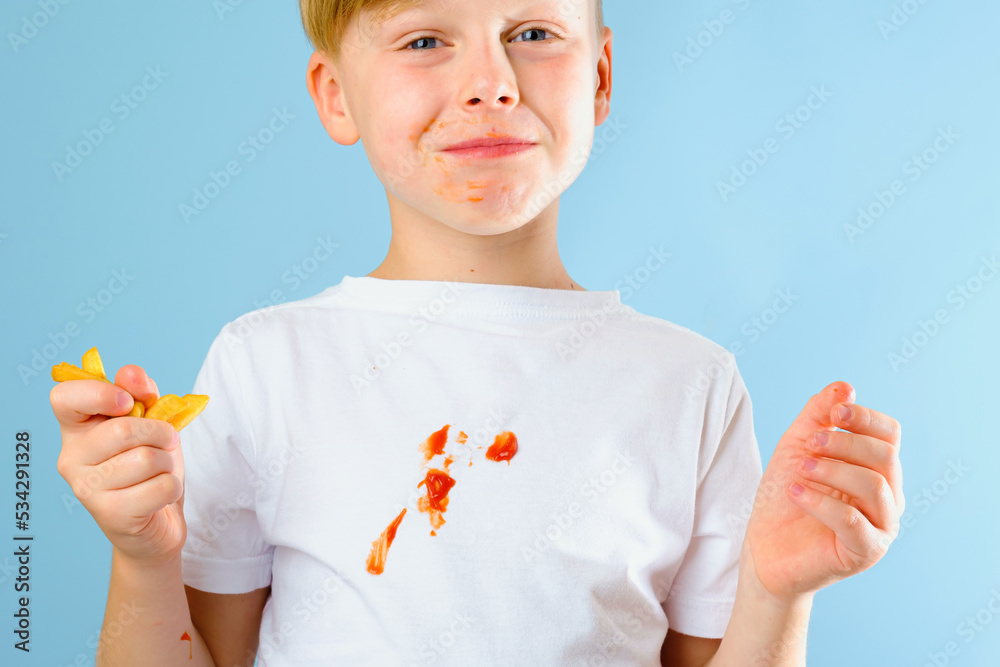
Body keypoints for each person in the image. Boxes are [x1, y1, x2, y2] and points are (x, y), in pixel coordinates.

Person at [50, 1, 905, 665]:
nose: (491, 82)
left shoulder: (693, 383)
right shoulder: (266, 362)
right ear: (334, 94)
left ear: (601, 77)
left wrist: (779, 591)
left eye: (533, 30)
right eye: (425, 41)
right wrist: (143, 558)